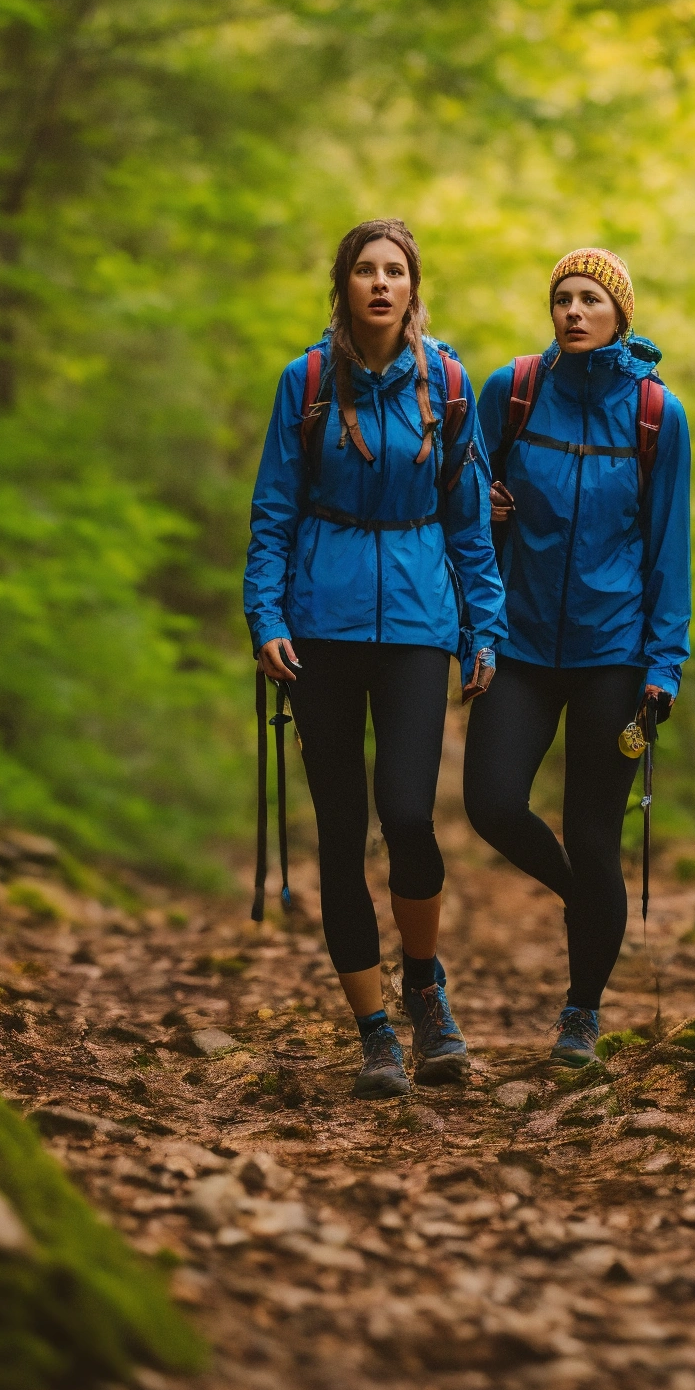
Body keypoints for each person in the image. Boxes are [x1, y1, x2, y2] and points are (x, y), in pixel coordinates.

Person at [244, 218, 505, 1099]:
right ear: (344, 286)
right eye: (366, 270)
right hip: (318, 625)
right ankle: (373, 1032)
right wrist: (264, 612)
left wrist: (483, 628)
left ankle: (426, 989)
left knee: (408, 817)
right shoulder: (307, 382)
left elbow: (469, 521)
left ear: (413, 287)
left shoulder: (448, 384)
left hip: (419, 627)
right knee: (341, 833)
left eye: (395, 271)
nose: (381, 284)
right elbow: (274, 507)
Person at [463, 247, 692, 1068]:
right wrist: (480, 520)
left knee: (595, 835)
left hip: (615, 651)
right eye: (562, 297)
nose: (573, 310)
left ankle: (581, 1018)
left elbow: (670, 548)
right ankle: (586, 899)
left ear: (619, 315)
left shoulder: (656, 414)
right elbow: (460, 506)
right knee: (491, 804)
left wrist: (665, 664)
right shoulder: (512, 392)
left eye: (591, 298)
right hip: (518, 644)